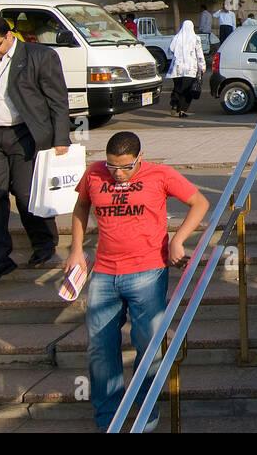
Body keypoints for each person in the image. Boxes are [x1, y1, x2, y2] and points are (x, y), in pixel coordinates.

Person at [65, 131, 210, 432]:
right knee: (101, 348)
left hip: (148, 272)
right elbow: (81, 207)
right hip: (105, 273)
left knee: (149, 345)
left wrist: (178, 240)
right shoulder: (94, 174)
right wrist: (77, 250)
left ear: (139, 158)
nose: (117, 173)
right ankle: (109, 420)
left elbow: (199, 203)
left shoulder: (160, 174)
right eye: (112, 166)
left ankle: (146, 417)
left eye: (125, 167)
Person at [0, 15, 71, 292]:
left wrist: (61, 139)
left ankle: (44, 243)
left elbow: (58, 99)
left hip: (26, 134)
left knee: (25, 194)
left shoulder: (39, 56)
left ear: (9, 36)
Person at [166, 20, 205, 118]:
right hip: (190, 69)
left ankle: (174, 103)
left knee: (177, 88)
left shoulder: (176, 37)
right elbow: (199, 53)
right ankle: (182, 111)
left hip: (177, 69)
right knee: (187, 91)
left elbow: (170, 49)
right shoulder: (195, 38)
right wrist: (202, 66)